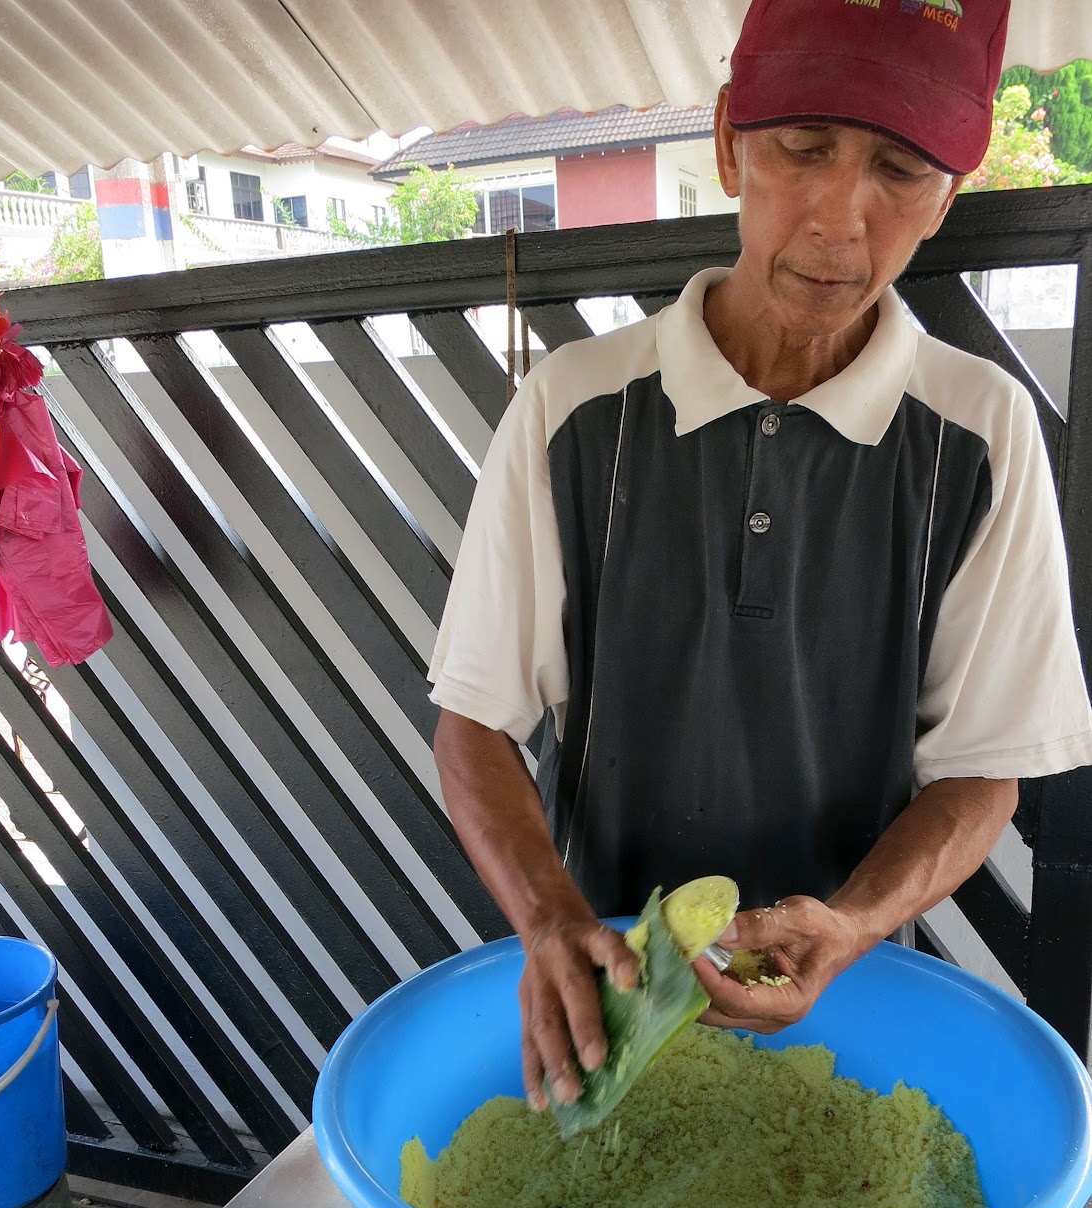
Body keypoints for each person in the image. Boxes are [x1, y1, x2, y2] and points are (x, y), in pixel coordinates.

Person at [428, 0, 1092, 1112]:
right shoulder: (573, 409)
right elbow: (473, 718)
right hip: (611, 1001)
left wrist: (853, 922)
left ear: (950, 194)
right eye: (803, 149)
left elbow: (986, 768)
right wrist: (549, 920)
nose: (841, 221)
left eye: (900, 169)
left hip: (846, 1004)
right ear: (731, 136)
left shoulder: (982, 432)